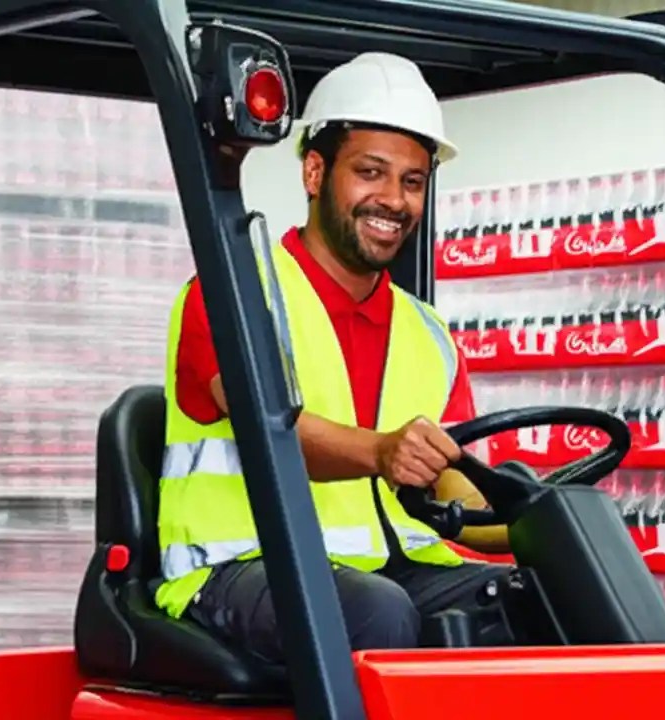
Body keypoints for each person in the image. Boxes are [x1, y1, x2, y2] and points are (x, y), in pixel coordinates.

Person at [154, 52, 515, 675]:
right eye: (370, 173)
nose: (393, 200)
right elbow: (270, 432)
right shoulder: (233, 296)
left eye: (412, 180)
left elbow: (450, 483)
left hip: (389, 563)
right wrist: (381, 452)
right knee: (376, 613)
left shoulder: (427, 332)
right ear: (316, 172)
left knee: (527, 601)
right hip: (240, 563)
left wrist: (548, 527)